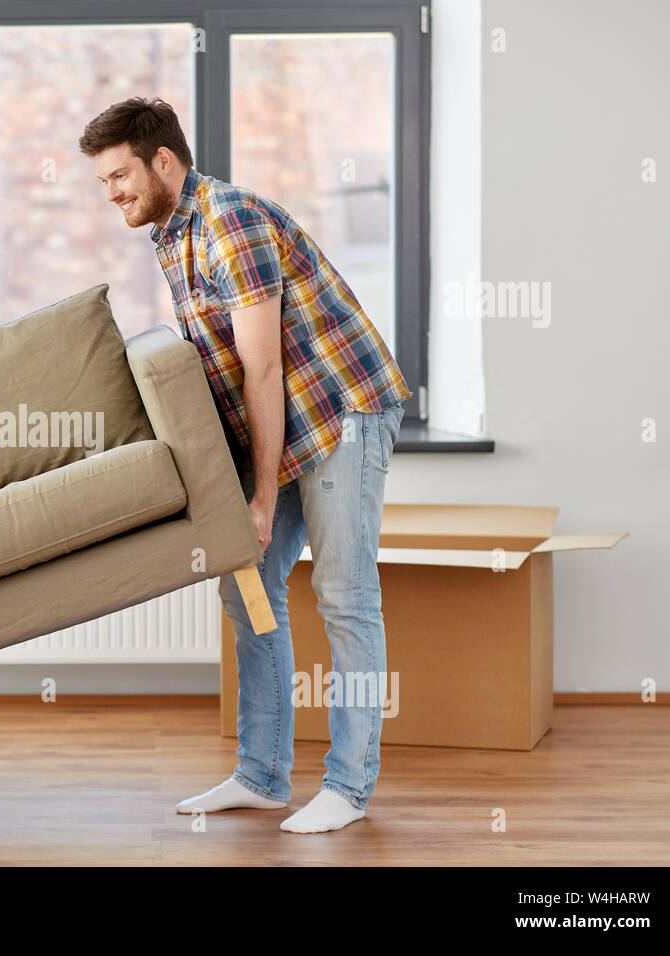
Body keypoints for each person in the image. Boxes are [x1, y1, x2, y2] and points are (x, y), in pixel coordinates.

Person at [79, 97, 410, 833]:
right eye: (103, 182)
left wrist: (261, 497)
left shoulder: (228, 223)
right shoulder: (171, 236)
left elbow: (261, 369)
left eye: (121, 175)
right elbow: (224, 374)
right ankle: (262, 776)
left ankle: (350, 790)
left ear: (164, 161)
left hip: (340, 411)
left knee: (344, 594)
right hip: (286, 420)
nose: (113, 194)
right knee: (250, 584)